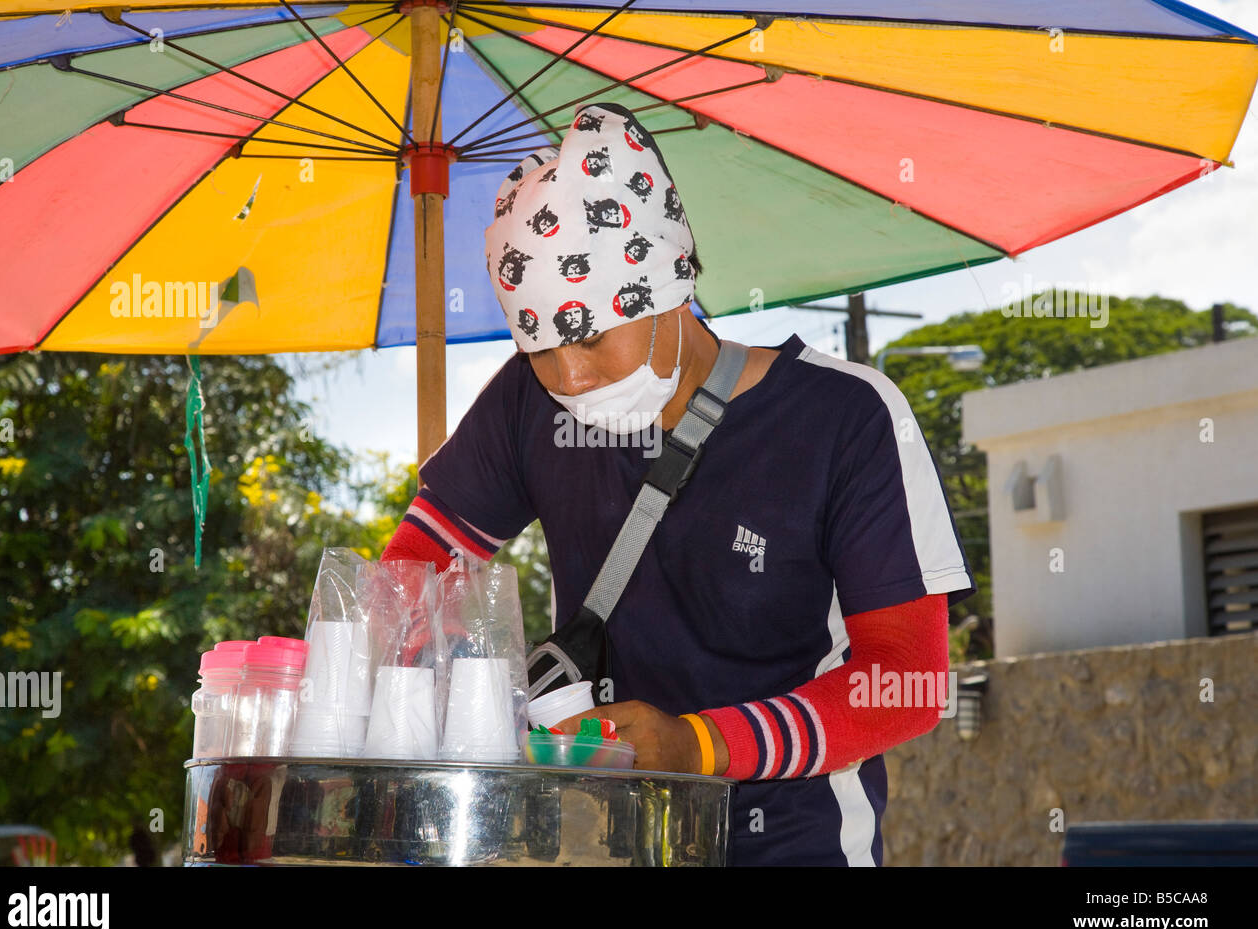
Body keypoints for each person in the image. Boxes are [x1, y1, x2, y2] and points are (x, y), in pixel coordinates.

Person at [382, 102, 976, 866]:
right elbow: (413, 569)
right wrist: (453, 666)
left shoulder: (845, 417)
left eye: (591, 334)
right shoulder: (527, 401)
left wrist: (697, 745)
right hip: (594, 844)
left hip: (795, 844)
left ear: (670, 281)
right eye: (538, 347)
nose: (570, 375)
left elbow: (908, 681)